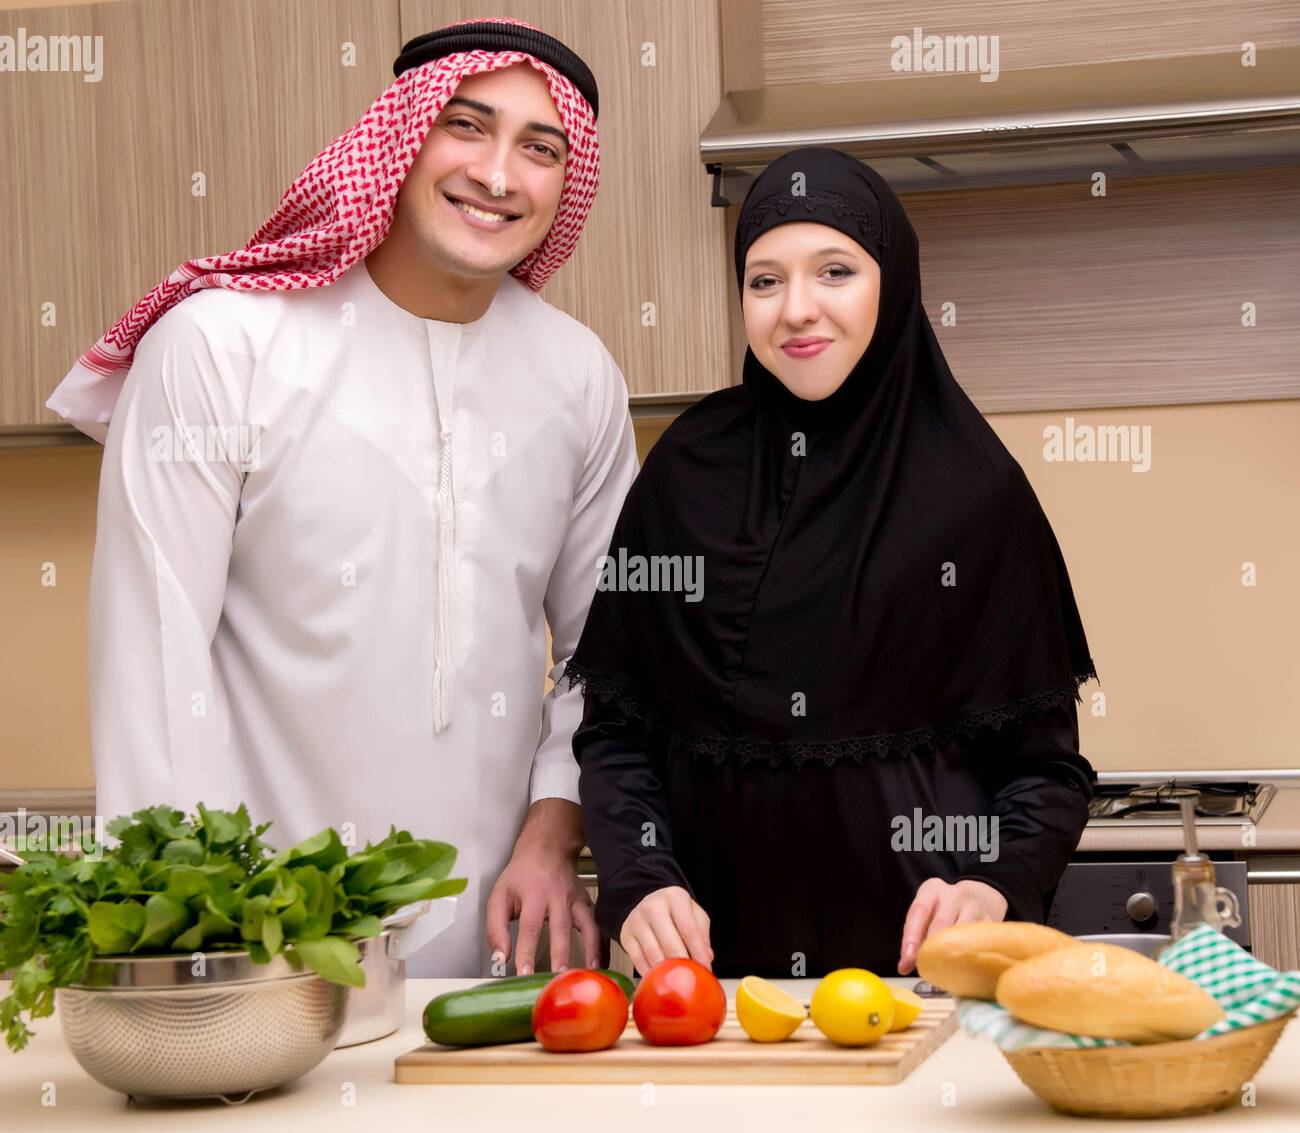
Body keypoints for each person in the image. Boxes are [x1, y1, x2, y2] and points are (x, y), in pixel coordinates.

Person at [46, 19, 636, 978]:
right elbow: (152, 670)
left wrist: (553, 832)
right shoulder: (221, 348)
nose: (497, 174)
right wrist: (203, 943)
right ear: (398, 138)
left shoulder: (579, 377)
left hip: (499, 958)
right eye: (464, 126)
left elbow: (606, 654)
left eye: (540, 148)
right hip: (261, 950)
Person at [566, 147, 1100, 980]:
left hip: (924, 986)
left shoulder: (974, 493)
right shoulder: (685, 473)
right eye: (764, 281)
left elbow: (1046, 771)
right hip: (710, 996)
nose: (796, 310)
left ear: (894, 282)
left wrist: (994, 884)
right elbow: (616, 735)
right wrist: (639, 878)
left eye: (835, 272)